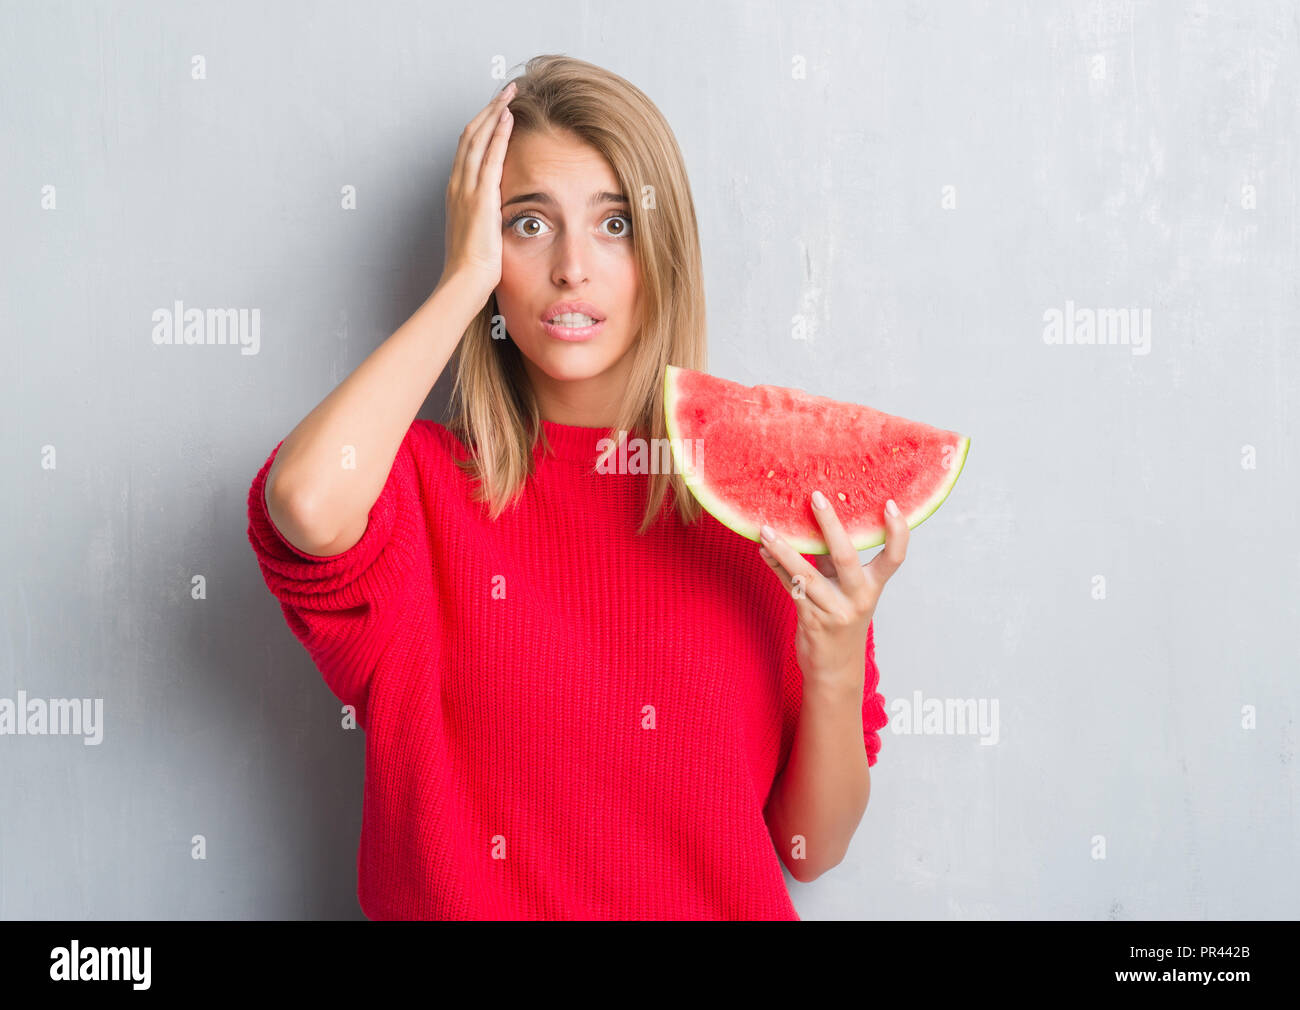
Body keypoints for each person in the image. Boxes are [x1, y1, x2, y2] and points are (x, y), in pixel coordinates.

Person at [245, 53, 907, 921]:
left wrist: (835, 664)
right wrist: (461, 284)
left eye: (616, 224)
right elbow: (303, 502)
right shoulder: (415, 495)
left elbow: (809, 852)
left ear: (662, 254)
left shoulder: (757, 513)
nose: (571, 268)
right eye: (527, 225)